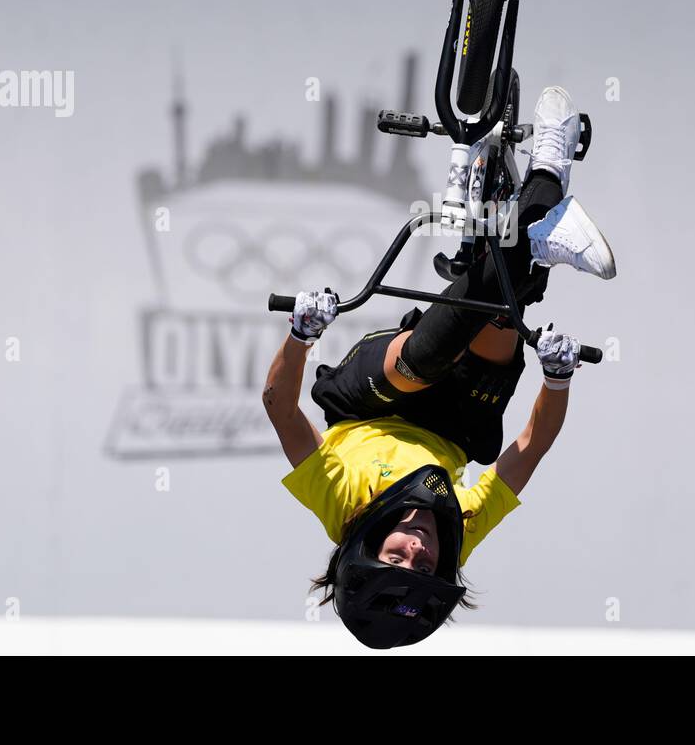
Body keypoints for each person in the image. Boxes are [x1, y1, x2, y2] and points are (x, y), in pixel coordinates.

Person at [262, 86, 615, 647]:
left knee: (419, 366)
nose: (419, 550)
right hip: (456, 420)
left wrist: (301, 334)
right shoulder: (458, 531)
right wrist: (557, 376)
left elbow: (280, 409)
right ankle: (547, 174)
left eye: (396, 559)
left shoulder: (340, 504)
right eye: (424, 568)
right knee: (504, 307)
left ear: (364, 546)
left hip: (372, 398)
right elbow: (532, 444)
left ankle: (538, 214)